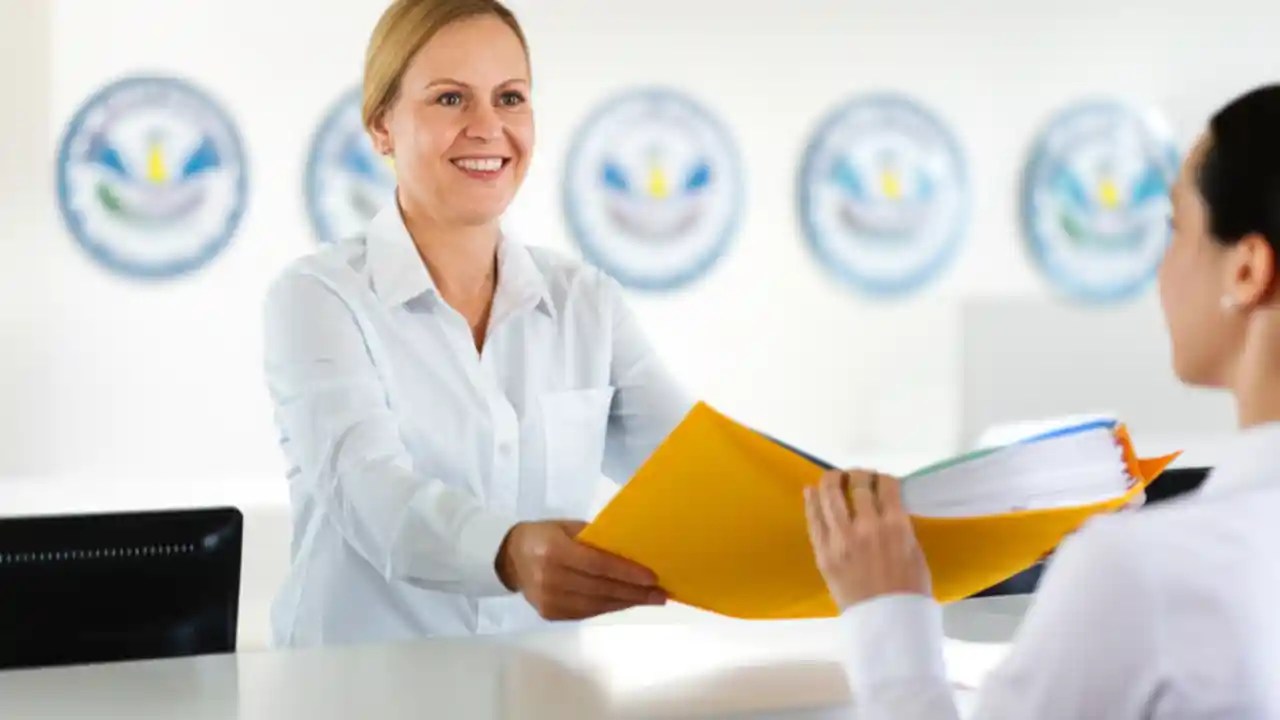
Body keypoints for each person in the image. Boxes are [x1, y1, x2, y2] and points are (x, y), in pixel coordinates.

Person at [806, 84, 1280, 719]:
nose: (1160, 269)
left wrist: (885, 609)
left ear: (1247, 270)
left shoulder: (1137, 574)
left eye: (1176, 228)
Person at [262, 0, 690, 647]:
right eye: (450, 100)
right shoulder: (318, 298)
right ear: (381, 127)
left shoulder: (586, 302)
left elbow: (693, 466)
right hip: (353, 700)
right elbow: (370, 491)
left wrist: (854, 503)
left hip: (539, 698)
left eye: (510, 97)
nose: (489, 127)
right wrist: (509, 552)